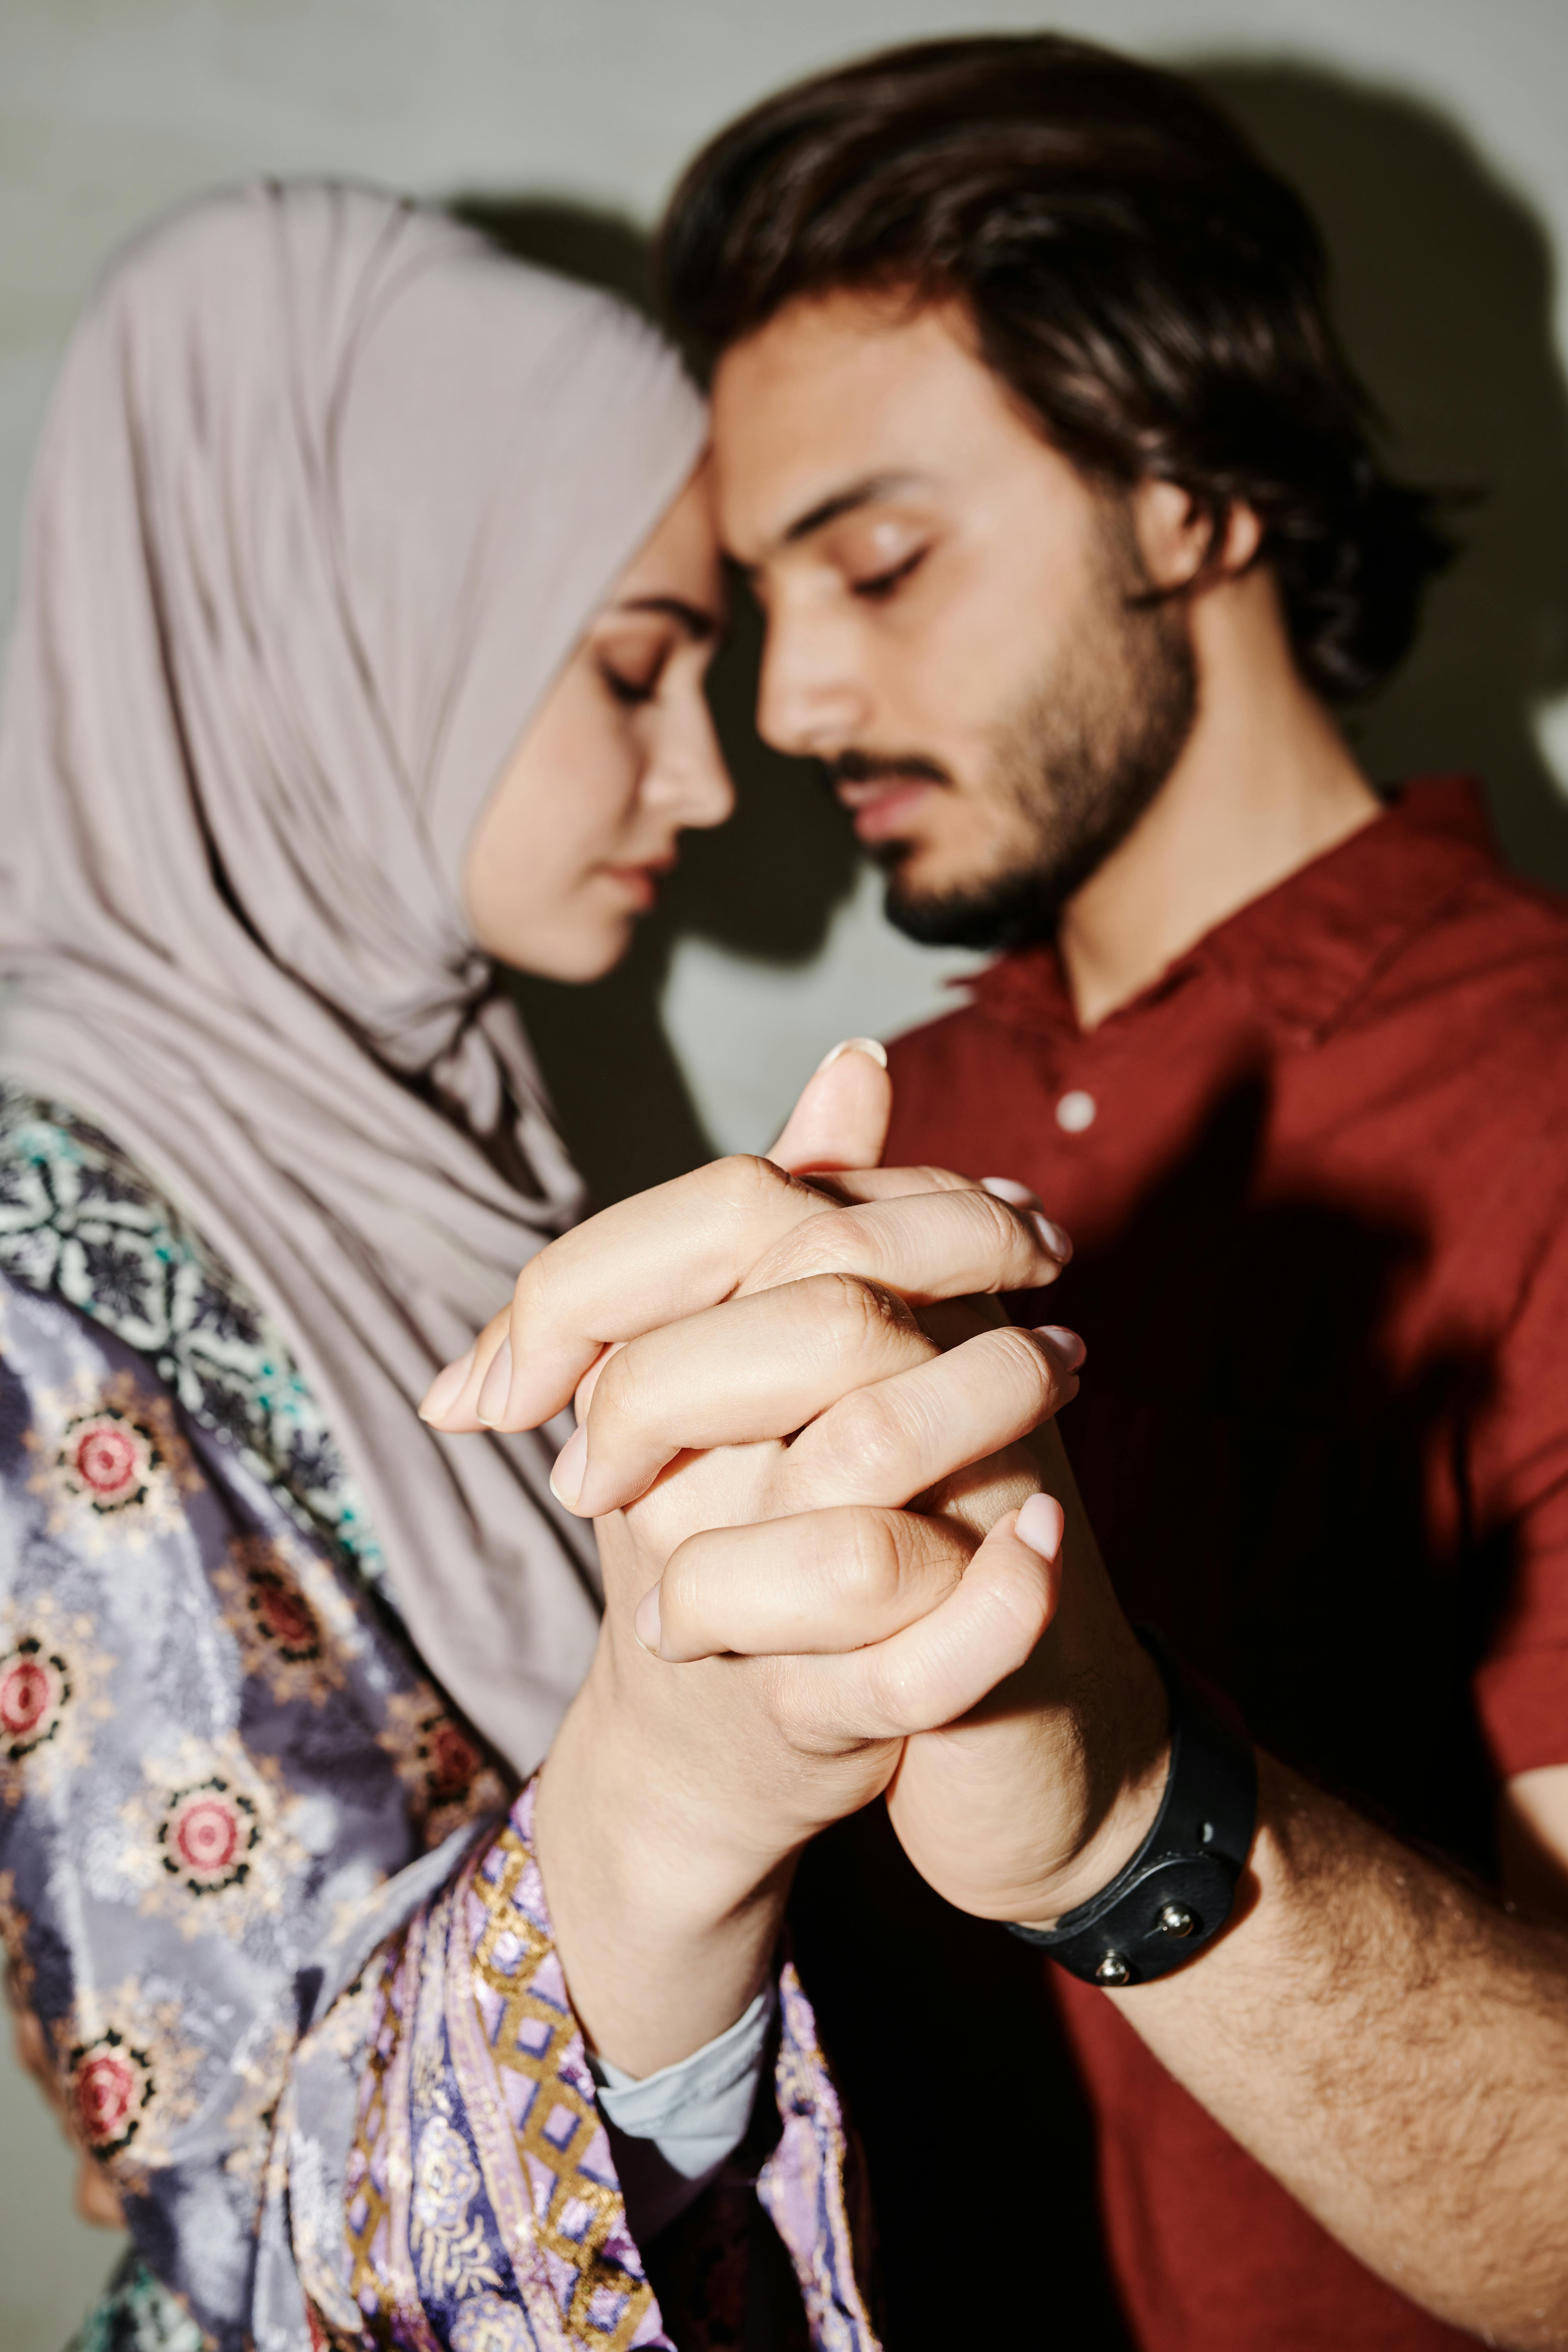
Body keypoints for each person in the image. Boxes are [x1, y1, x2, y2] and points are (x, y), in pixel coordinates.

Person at [428, 33, 1568, 2352]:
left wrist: (1136, 1807)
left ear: (1190, 493)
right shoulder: (876, 1130)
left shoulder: (1539, 1099)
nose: (796, 701)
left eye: (876, 557)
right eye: (763, 599)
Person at [0, 178, 1083, 2348]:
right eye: (636, 666)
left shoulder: (437, 1121)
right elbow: (249, 2209)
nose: (706, 773)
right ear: (328, 623)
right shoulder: (31, 1275)